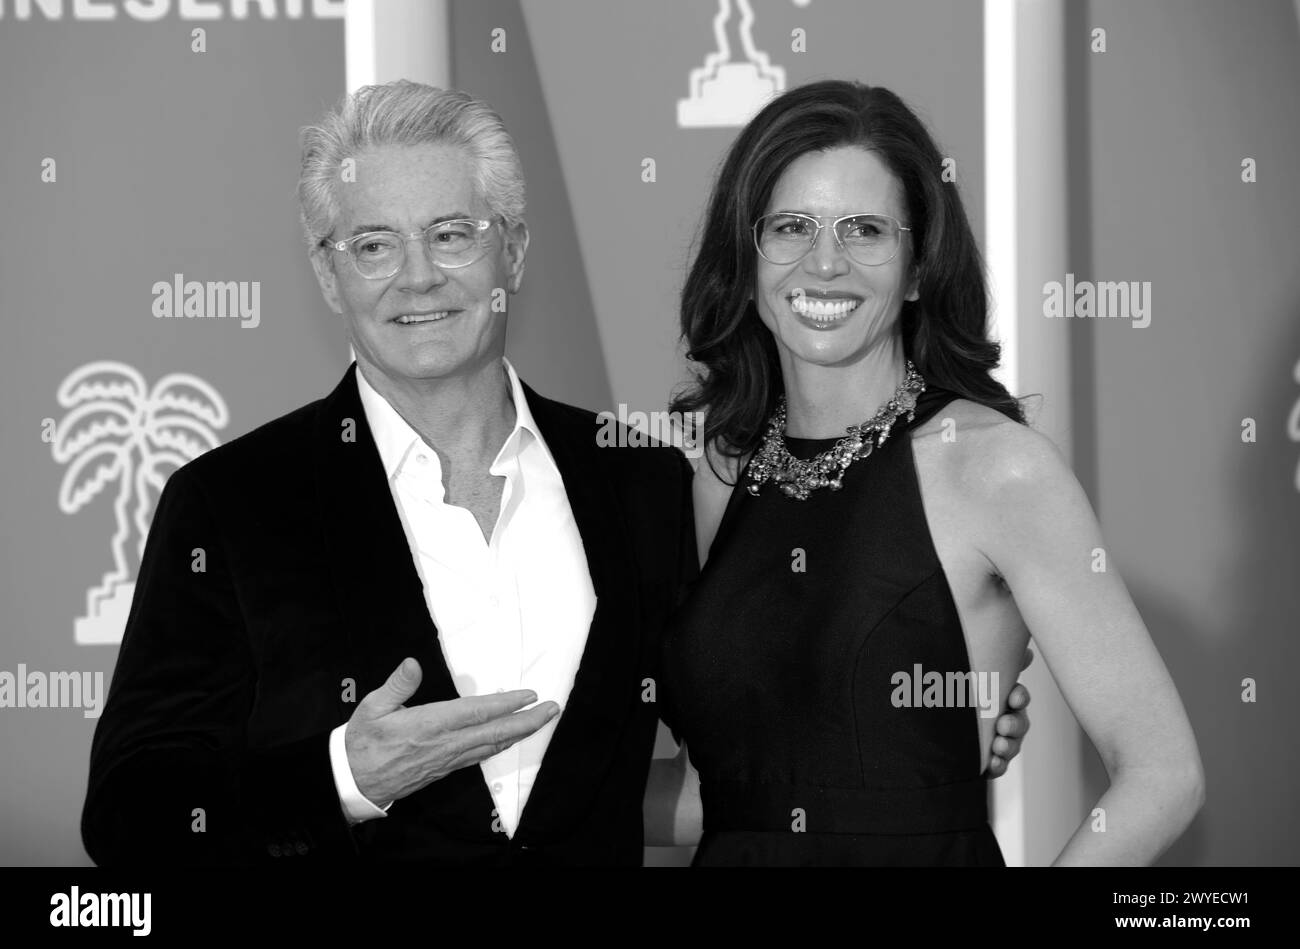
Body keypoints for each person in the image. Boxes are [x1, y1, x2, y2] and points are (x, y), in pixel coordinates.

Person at [82, 80, 1030, 866]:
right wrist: (345, 775)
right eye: (374, 246)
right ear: (330, 276)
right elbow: (129, 817)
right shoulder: (231, 504)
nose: (418, 278)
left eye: (453, 234)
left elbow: (724, 751)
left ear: (513, 250)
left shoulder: (645, 484)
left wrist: (920, 727)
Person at [647, 80, 1204, 866]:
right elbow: (729, 800)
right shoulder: (709, 476)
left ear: (916, 269)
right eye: (792, 227)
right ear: (745, 262)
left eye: (866, 230)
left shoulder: (995, 470)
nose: (826, 261)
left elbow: (1163, 775)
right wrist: (496, 805)